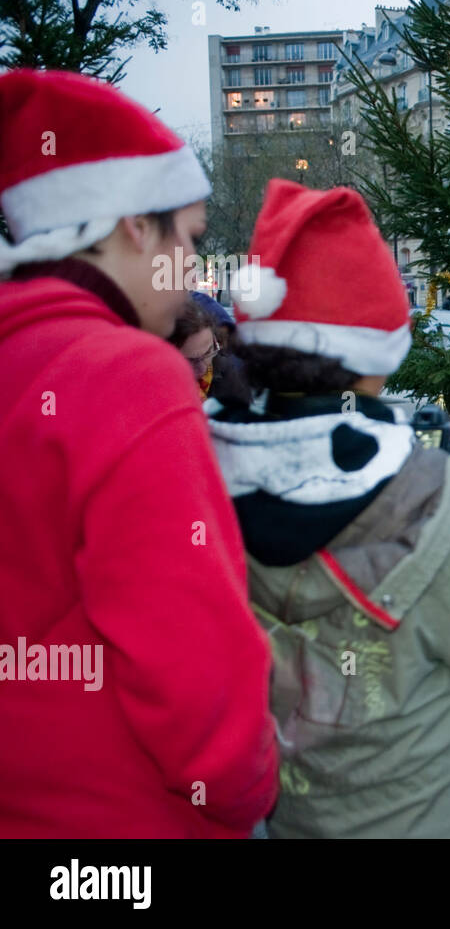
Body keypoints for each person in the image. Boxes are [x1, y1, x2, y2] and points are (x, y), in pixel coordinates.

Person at [208, 179, 450, 838]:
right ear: (378, 343)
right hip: (437, 808)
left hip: (301, 810)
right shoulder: (432, 487)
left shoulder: (201, 474)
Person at [0, 69, 278, 837]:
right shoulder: (126, 372)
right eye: (187, 238)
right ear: (134, 228)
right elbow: (191, 654)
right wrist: (249, 781)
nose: (193, 271)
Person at [168, 295, 220, 398]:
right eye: (191, 361)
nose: (203, 369)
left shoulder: (231, 375)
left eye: (208, 352)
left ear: (214, 340)